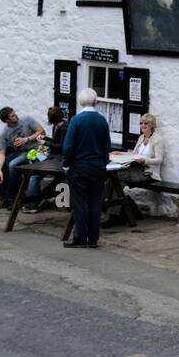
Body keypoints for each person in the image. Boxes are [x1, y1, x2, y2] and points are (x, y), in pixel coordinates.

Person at [61, 87, 112, 248]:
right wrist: (103, 163)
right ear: (96, 102)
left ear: (80, 102)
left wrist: (66, 165)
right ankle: (93, 239)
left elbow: (68, 147)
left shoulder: (76, 120)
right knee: (96, 203)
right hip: (97, 167)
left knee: (80, 203)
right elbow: (107, 146)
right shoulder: (102, 121)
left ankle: (80, 238)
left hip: (79, 167)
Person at [0, 107, 46, 208]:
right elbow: (1, 153)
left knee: (12, 165)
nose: (16, 116)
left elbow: (42, 131)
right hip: (21, 152)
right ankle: (6, 198)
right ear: (7, 120)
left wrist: (27, 139)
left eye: (15, 113)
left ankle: (13, 199)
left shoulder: (26, 120)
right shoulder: (5, 132)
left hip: (36, 150)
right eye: (12, 116)